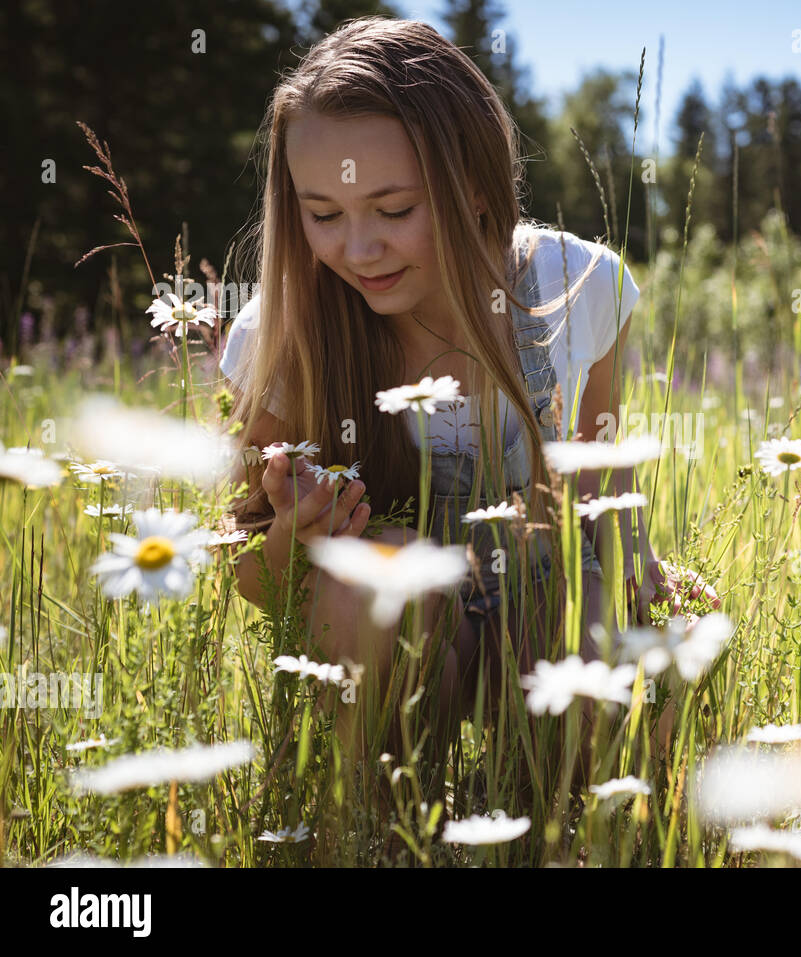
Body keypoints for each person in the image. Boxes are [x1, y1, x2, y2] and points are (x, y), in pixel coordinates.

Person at [216, 16, 719, 840]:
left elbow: (600, 497)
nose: (360, 247)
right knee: (359, 585)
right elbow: (249, 576)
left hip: (539, 597)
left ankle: (557, 824)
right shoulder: (285, 333)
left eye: (393, 207)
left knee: (626, 654)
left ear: (474, 185)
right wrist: (291, 536)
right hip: (401, 632)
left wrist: (648, 577)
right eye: (323, 213)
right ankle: (375, 832)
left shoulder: (578, 288)